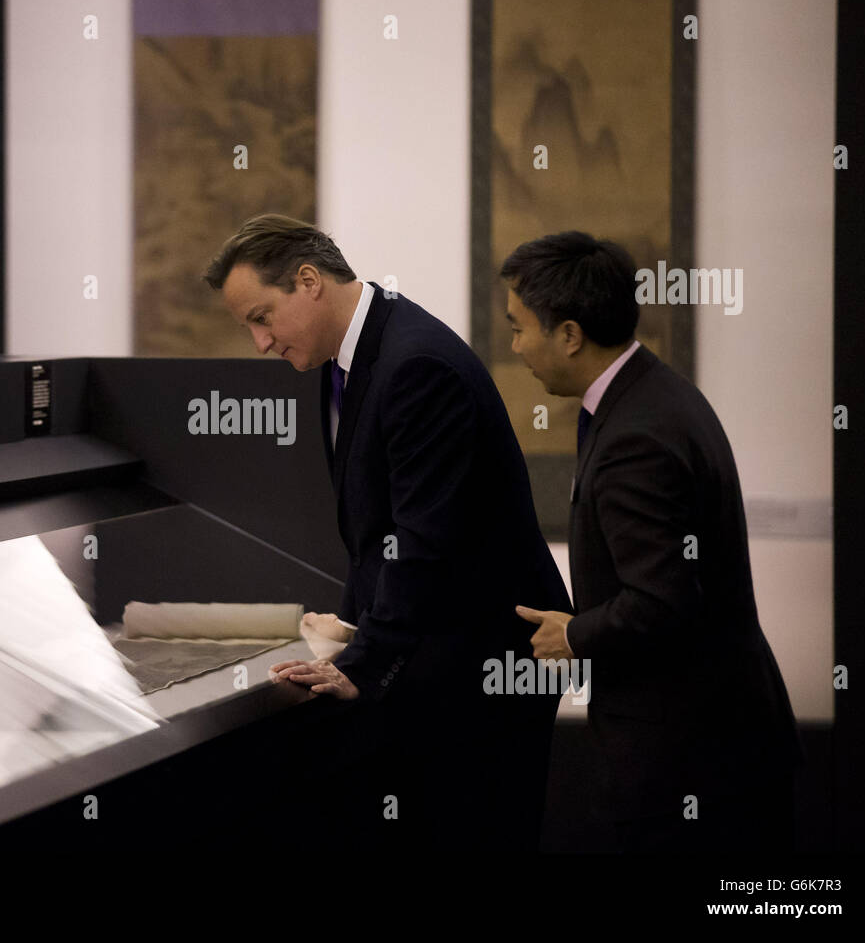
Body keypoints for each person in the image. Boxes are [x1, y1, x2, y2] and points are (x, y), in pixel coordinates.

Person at [202, 214, 571, 850]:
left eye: (262, 316)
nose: (260, 342)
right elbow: (376, 531)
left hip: (483, 675)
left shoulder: (414, 364)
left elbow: (424, 540)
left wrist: (365, 661)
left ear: (309, 281)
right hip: (437, 661)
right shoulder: (349, 355)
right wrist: (351, 631)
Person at [502, 230, 804, 852]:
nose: (514, 347)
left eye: (519, 327)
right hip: (717, 740)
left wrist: (574, 633)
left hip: (689, 758)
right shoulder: (655, 393)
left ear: (569, 334)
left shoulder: (635, 436)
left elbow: (664, 601)